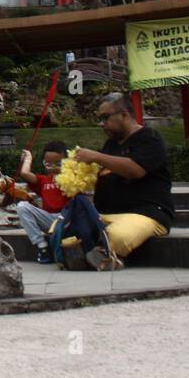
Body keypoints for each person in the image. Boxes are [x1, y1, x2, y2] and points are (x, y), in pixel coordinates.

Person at [73, 91, 174, 269]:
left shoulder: (150, 138)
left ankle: (102, 254)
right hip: (107, 213)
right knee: (68, 229)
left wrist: (96, 156)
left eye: (105, 118)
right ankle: (97, 253)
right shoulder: (110, 145)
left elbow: (135, 170)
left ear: (125, 115)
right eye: (100, 120)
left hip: (146, 214)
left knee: (118, 235)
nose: (102, 124)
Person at [14, 141, 69, 263]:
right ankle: (42, 246)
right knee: (22, 207)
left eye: (58, 164)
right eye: (48, 164)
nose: (53, 168)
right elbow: (24, 173)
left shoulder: (72, 179)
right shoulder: (43, 180)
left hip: (66, 220)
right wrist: (27, 159)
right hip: (49, 220)